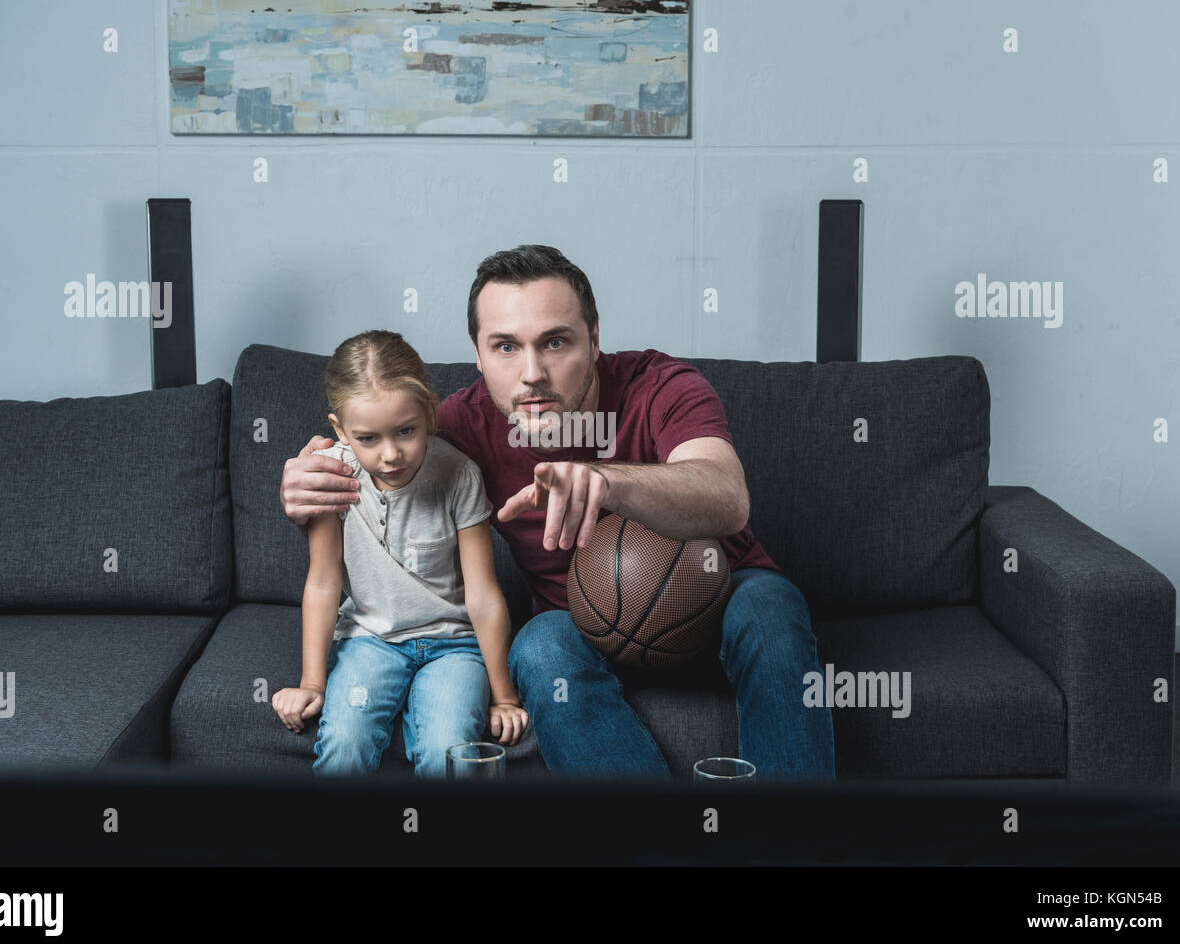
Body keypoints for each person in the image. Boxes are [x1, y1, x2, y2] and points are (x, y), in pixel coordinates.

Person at [279, 245, 835, 781]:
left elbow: (727, 496)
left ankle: (786, 842)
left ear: (594, 340)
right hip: (586, 626)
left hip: (721, 605)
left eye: (554, 342)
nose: (531, 374)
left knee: (769, 606)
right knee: (540, 646)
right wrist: (306, 481)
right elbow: (376, 446)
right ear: (476, 354)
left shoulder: (662, 385)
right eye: (504, 347)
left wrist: (607, 479)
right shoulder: (459, 425)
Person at [271, 329, 529, 777]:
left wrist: (504, 696)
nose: (391, 455)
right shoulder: (332, 474)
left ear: (429, 411)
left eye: (406, 431)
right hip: (369, 640)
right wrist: (311, 681)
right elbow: (324, 581)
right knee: (344, 745)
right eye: (368, 438)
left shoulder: (460, 475)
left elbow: (484, 595)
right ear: (340, 430)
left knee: (450, 753)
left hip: (454, 644)